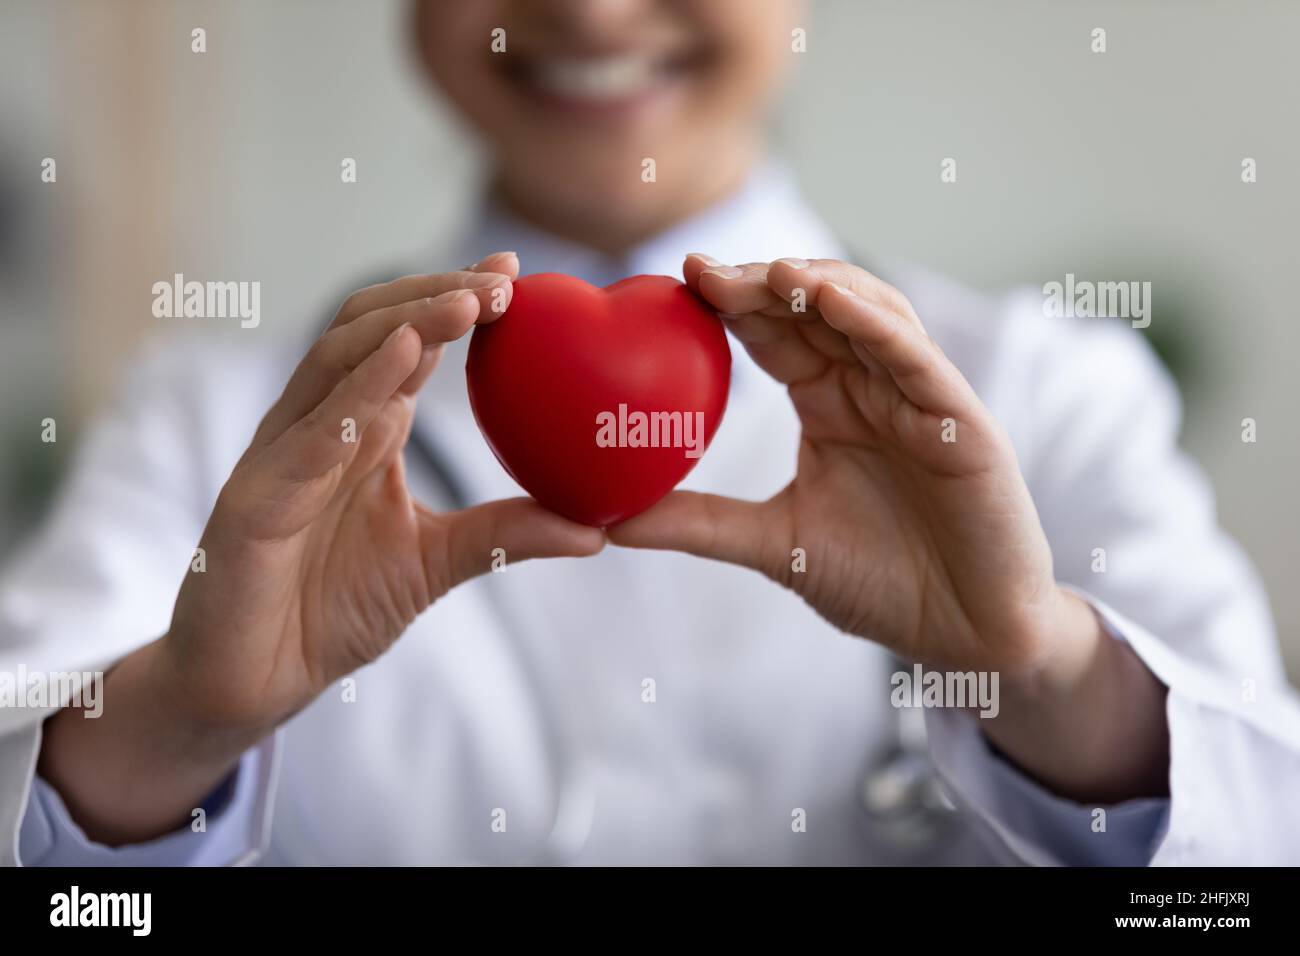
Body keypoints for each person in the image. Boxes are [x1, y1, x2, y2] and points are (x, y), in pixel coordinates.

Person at [3, 0, 1299, 866]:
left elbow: (1251, 854)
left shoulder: (1046, 386)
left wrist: (1044, 670)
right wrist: (180, 722)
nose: (594, 11)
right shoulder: (207, 420)